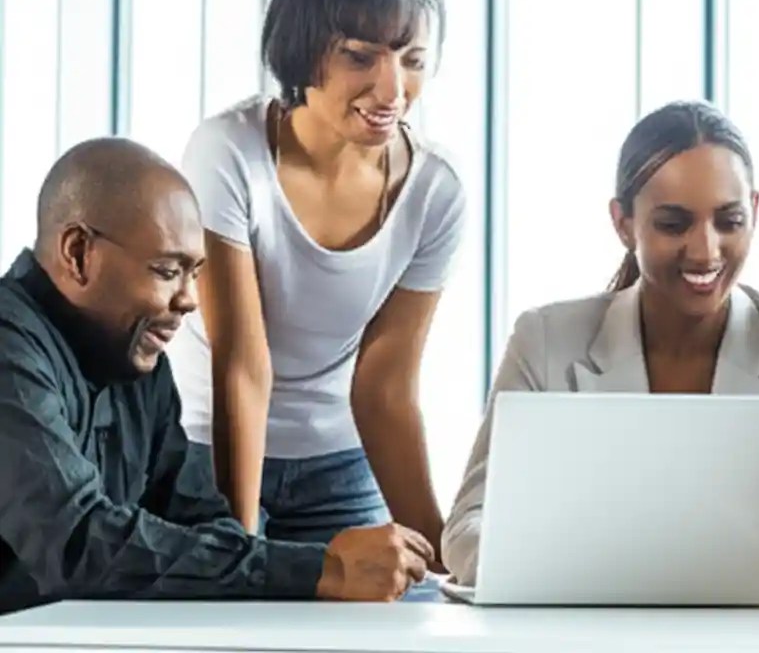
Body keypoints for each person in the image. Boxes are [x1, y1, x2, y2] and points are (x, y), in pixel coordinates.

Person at [442, 101, 759, 598]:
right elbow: (465, 532)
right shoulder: (547, 342)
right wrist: (630, 568)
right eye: (673, 224)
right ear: (623, 223)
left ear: (753, 211)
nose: (706, 250)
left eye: (729, 221)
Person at [0, 138, 436, 613]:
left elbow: (197, 513)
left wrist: (276, 565)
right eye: (167, 271)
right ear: (78, 252)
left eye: (194, 273)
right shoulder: (9, 348)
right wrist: (322, 570)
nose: (189, 299)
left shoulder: (138, 364)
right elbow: (75, 542)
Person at [167, 0, 465, 554]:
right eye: (360, 57)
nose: (392, 91)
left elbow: (385, 387)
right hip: (205, 446)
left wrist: (446, 557)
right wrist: (242, 549)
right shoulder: (229, 153)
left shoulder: (436, 188)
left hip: (338, 460)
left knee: (399, 613)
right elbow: (242, 366)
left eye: (412, 60)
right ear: (303, 55)